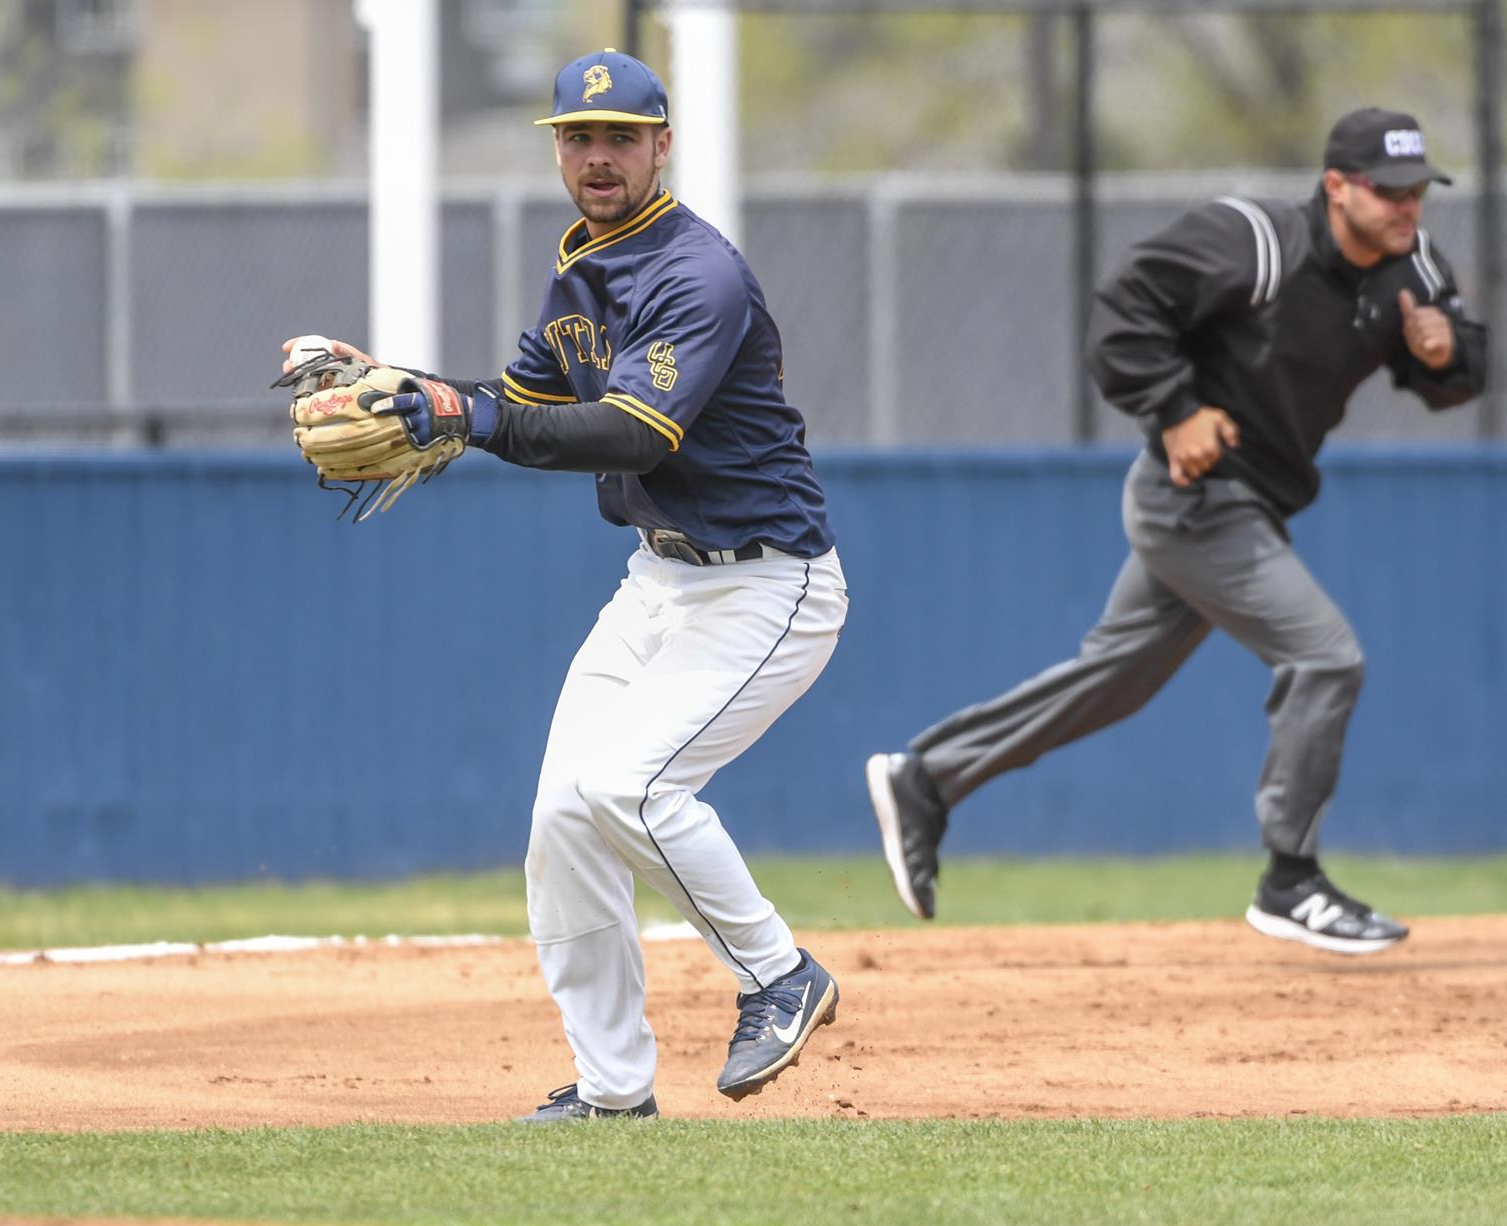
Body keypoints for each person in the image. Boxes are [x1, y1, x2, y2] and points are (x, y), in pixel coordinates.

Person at [285, 50, 846, 1121]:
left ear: (660, 146)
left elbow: (630, 429)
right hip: (659, 580)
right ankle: (612, 1088)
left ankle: (779, 974)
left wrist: (466, 416)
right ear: (556, 148)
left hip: (767, 585)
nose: (598, 157)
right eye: (579, 138)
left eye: (620, 138)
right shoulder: (583, 266)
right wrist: (410, 389)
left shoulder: (697, 274)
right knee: (560, 820)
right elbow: (513, 398)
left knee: (629, 787)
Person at [865, 106, 1487, 955]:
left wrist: (1449, 352)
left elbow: (1459, 372)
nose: (1408, 206)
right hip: (1193, 494)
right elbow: (1124, 313)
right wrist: (1178, 409)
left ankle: (928, 778)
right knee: (1325, 657)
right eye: (1388, 190)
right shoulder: (1255, 241)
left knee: (1113, 679)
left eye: (1418, 189)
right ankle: (1290, 879)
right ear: (1337, 186)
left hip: (1249, 502)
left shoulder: (1409, 264)